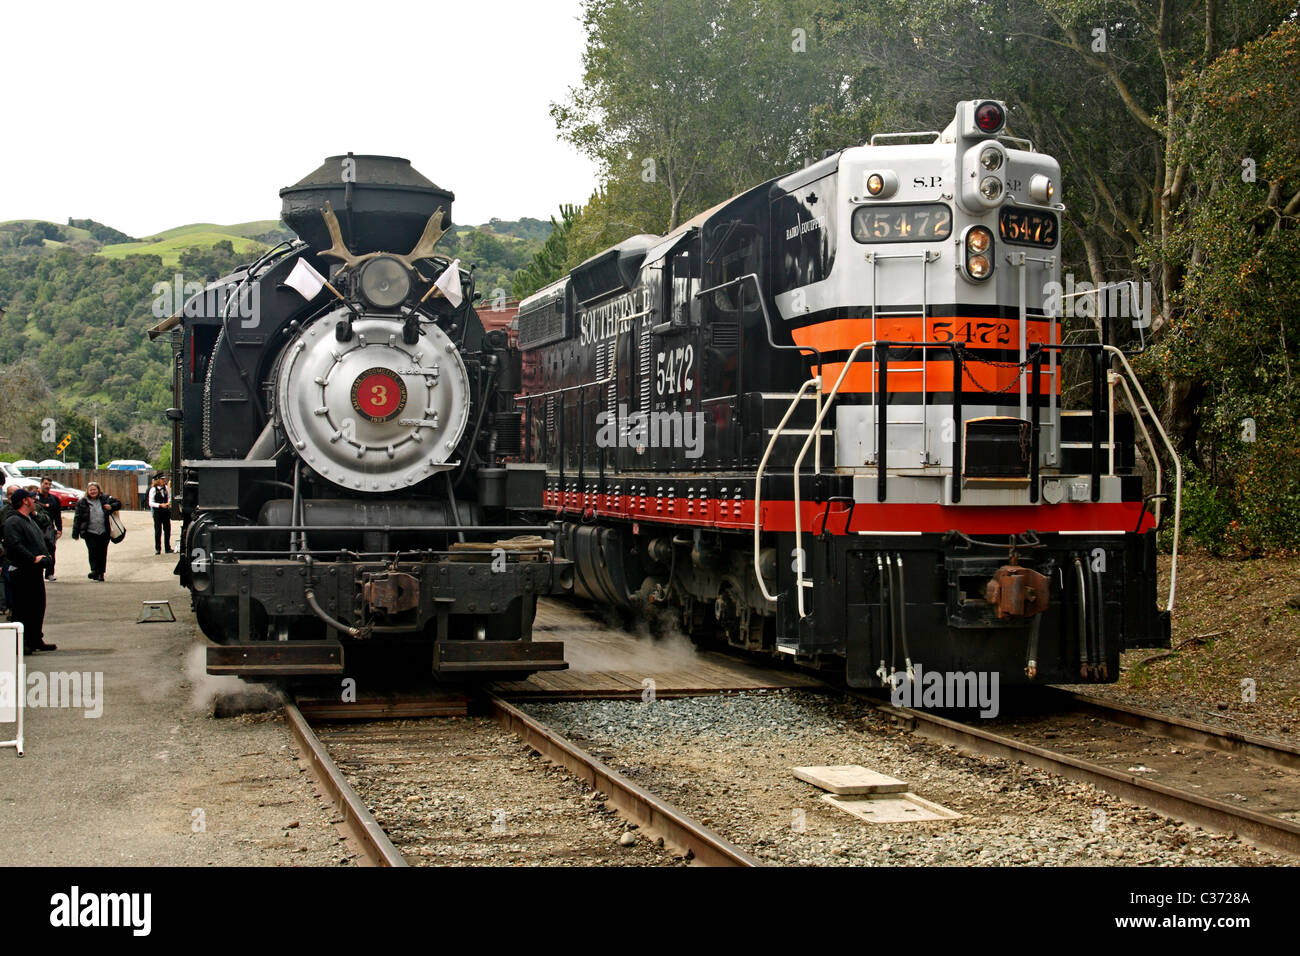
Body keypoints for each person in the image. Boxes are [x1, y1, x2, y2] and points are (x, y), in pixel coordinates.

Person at [2, 489, 56, 654]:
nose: (35, 500)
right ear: (25, 501)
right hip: (21, 571)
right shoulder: (13, 521)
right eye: (32, 498)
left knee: (37, 606)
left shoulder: (29, 519)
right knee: (23, 607)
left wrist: (46, 556)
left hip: (34, 571)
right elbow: (14, 545)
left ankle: (35, 638)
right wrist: (32, 558)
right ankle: (22, 642)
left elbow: (40, 540)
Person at [72, 482, 121, 581]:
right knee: (93, 551)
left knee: (102, 552)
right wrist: (75, 532)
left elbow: (118, 503)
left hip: (104, 531)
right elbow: (77, 518)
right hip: (90, 532)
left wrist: (111, 507)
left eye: (95, 489)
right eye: (91, 490)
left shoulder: (105, 498)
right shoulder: (82, 502)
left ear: (98, 490)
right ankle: (94, 570)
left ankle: (101, 573)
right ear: (87, 491)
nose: (93, 491)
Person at [36, 477, 61, 581]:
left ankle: (50, 573)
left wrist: (59, 529)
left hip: (50, 529)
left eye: (49, 484)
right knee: (38, 550)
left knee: (51, 551)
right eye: (46, 484)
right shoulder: (36, 498)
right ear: (41, 484)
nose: (48, 486)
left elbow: (57, 516)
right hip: (37, 528)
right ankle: (38, 573)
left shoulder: (54, 499)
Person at [148, 473, 173, 554]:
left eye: (164, 479)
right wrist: (159, 505)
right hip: (158, 512)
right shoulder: (153, 489)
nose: (164, 480)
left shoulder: (165, 488)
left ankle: (167, 548)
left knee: (167, 529)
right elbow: (150, 502)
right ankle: (158, 548)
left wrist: (168, 503)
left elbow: (169, 497)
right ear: (158, 480)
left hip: (166, 511)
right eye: (162, 479)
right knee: (158, 530)